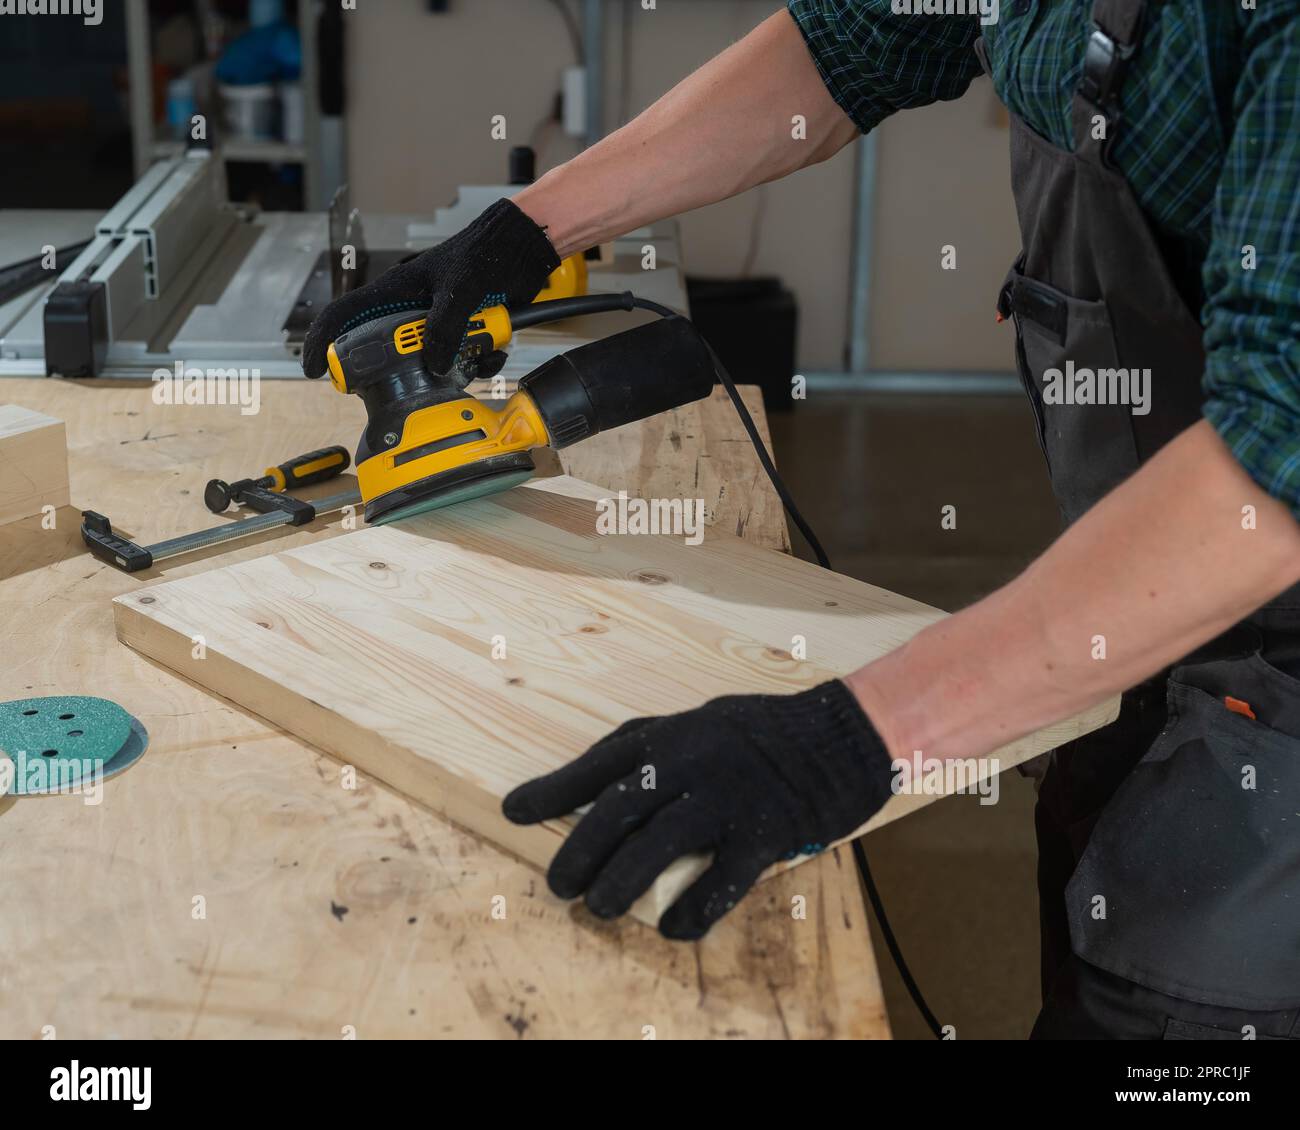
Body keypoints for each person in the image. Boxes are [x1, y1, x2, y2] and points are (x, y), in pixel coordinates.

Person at [302, 2, 1300, 1040]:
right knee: (1100, 901)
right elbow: (851, 46)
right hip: (1151, 607)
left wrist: (855, 736)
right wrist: (533, 227)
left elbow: (1275, 466)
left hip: (1277, 675)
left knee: (1185, 996)